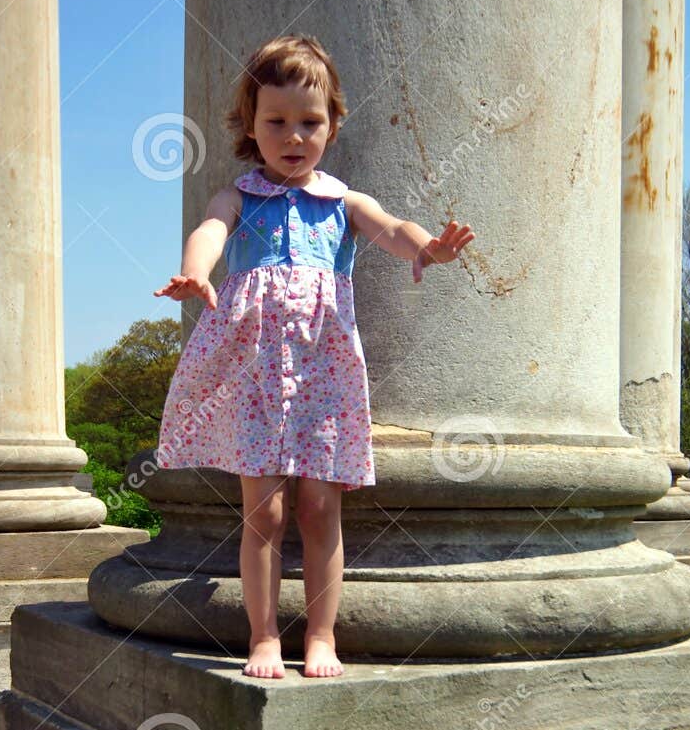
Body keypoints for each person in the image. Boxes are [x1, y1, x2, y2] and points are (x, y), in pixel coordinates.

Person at [153, 33, 474, 681]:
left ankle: (321, 635)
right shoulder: (237, 198)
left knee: (321, 507)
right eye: (276, 121)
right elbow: (210, 231)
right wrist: (195, 272)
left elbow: (391, 226)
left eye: (310, 121)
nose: (294, 136)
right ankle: (264, 635)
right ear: (250, 125)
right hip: (255, 378)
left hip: (324, 377)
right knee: (265, 511)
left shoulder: (342, 202)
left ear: (332, 125)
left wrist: (425, 248)